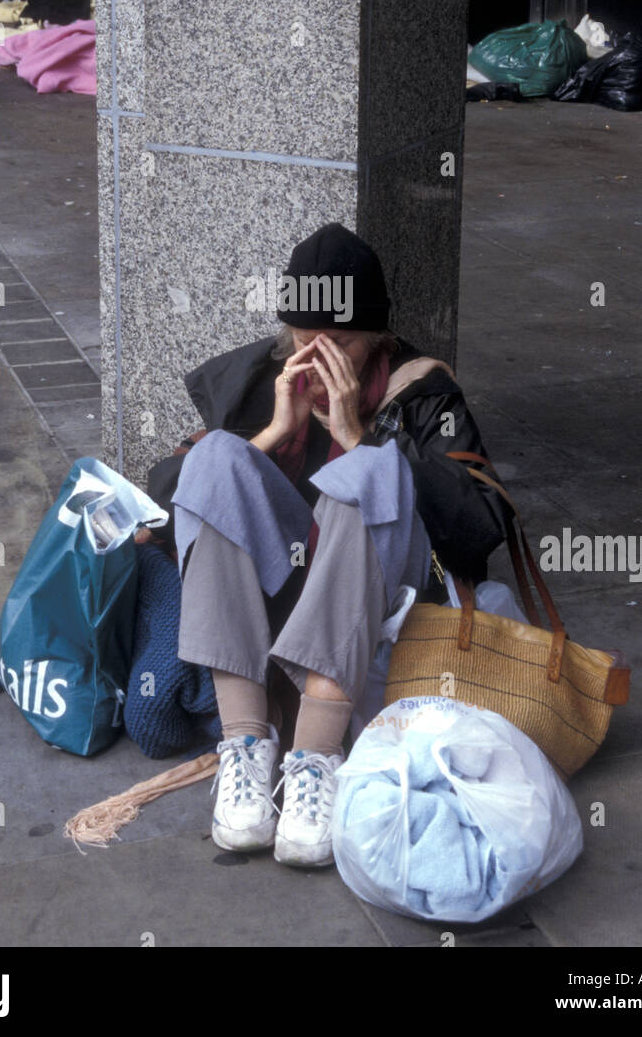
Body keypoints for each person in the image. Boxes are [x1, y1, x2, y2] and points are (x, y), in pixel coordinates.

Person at [146, 223, 509, 868]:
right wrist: (273, 431)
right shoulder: (263, 377)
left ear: (376, 341)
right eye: (306, 340)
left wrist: (359, 442)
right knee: (218, 456)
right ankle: (246, 751)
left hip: (379, 598)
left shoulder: (422, 392)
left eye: (339, 343)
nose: (318, 359)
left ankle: (316, 757)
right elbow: (173, 491)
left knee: (368, 473)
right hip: (283, 593)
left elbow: (483, 523)